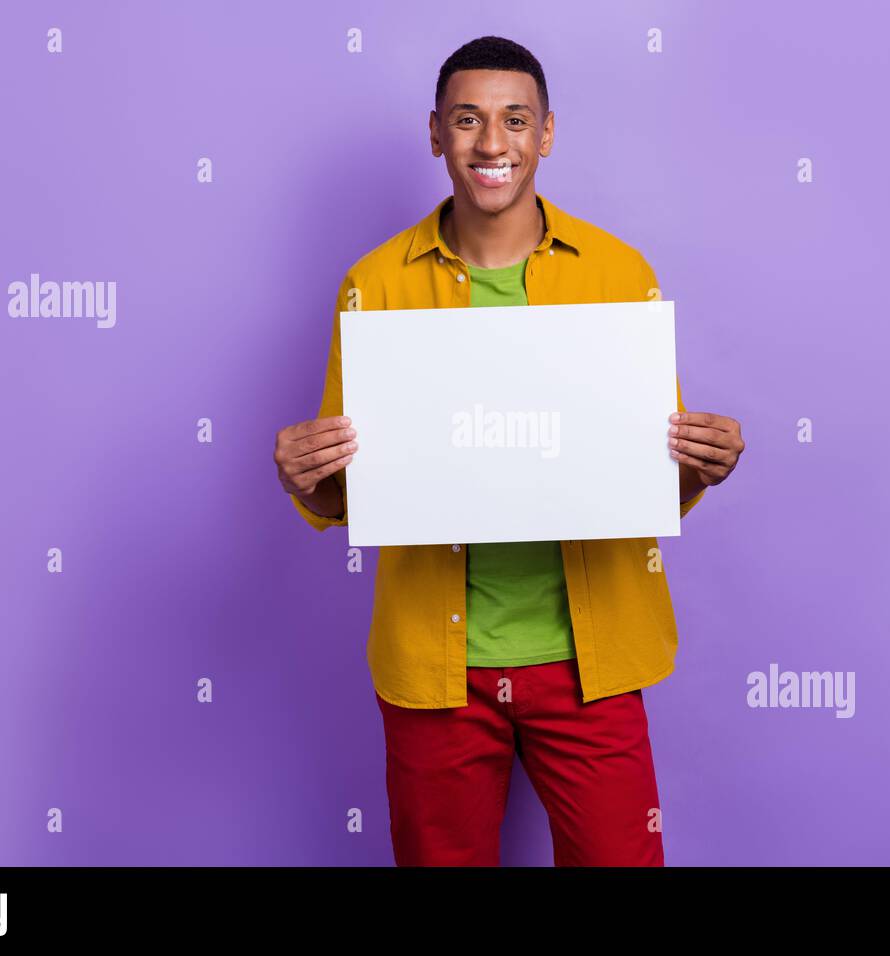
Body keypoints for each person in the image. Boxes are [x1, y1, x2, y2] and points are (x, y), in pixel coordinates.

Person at [274, 36, 744, 866]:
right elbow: (351, 492)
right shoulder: (374, 285)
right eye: (468, 120)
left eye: (514, 120)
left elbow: (645, 482)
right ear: (435, 134)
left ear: (547, 133)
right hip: (435, 666)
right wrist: (306, 482)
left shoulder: (617, 273)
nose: (492, 144)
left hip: (589, 662)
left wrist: (700, 465)